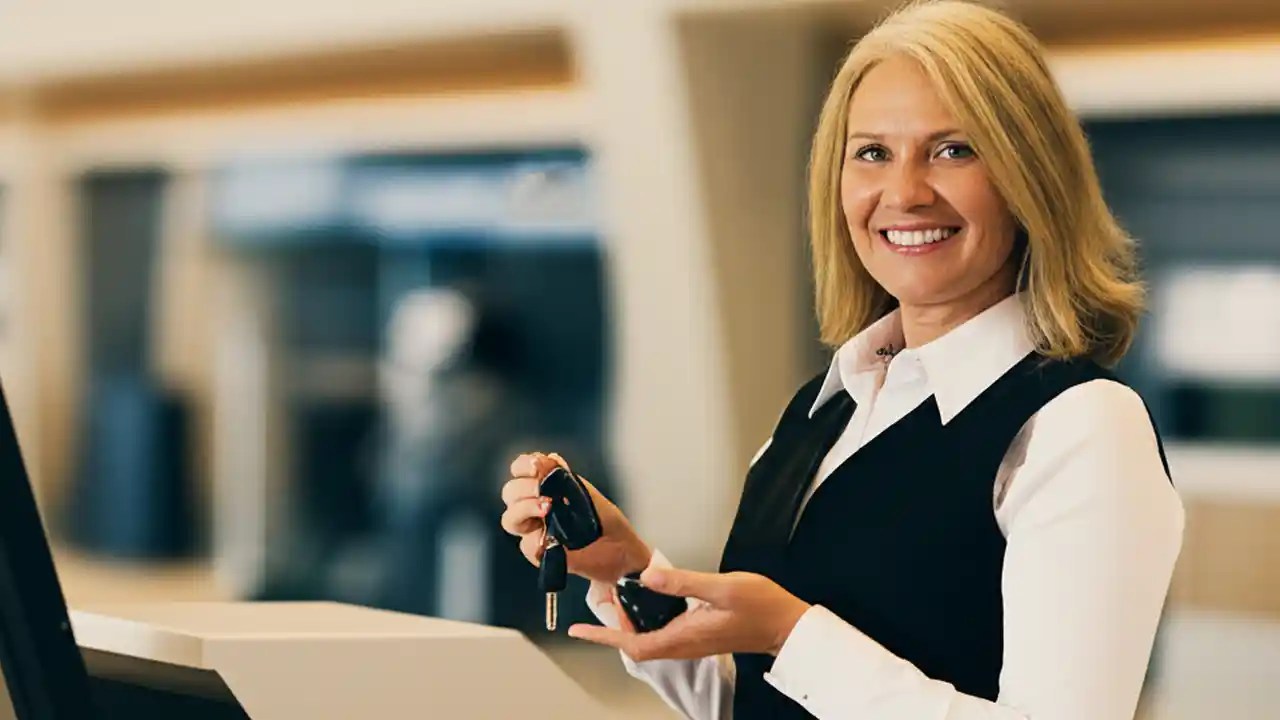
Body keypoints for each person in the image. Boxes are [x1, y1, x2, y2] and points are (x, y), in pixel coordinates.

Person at [499, 1, 1184, 718]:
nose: (905, 193)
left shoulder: (1081, 425)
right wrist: (631, 572)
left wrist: (792, 634)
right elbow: (760, 700)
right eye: (872, 153)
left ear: (1030, 176)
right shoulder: (822, 412)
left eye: (954, 149)